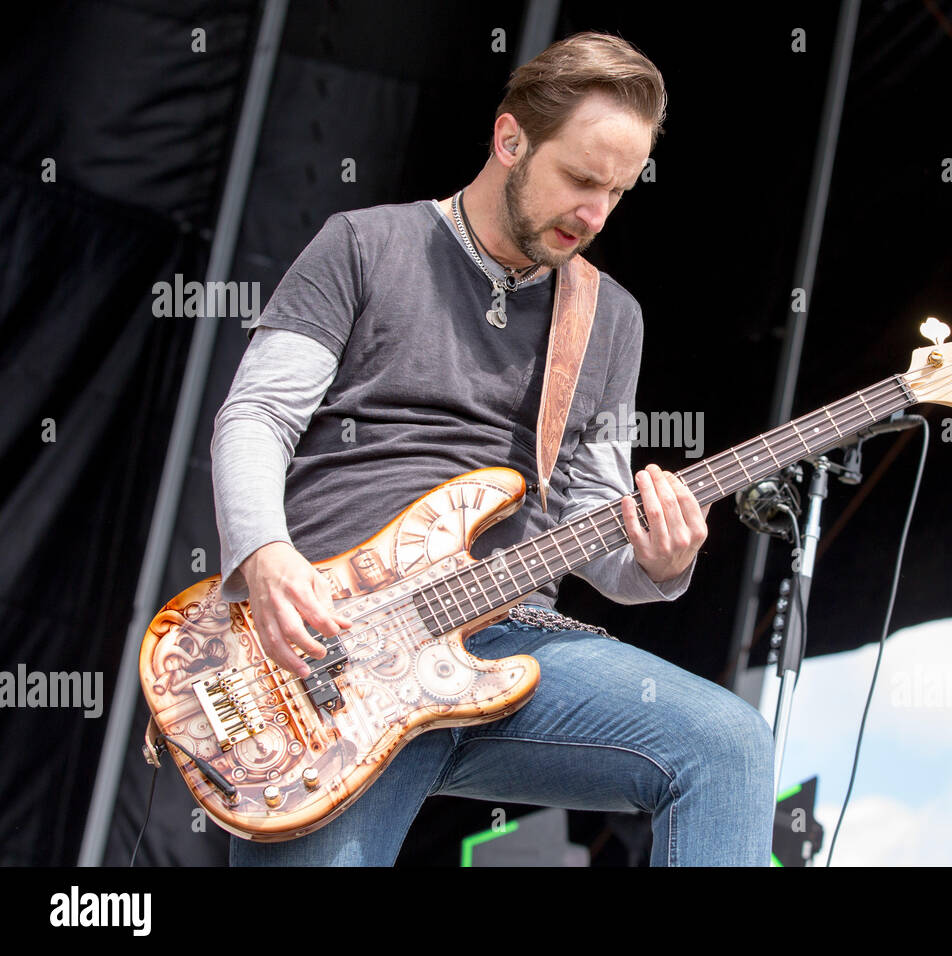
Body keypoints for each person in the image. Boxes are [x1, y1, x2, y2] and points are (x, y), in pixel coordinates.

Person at [212, 31, 775, 866]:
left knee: (727, 744)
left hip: (511, 646)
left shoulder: (610, 317)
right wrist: (266, 554)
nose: (595, 215)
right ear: (509, 140)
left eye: (618, 192)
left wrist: (660, 564)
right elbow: (256, 415)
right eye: (581, 179)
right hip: (334, 654)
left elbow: (594, 517)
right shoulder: (363, 245)